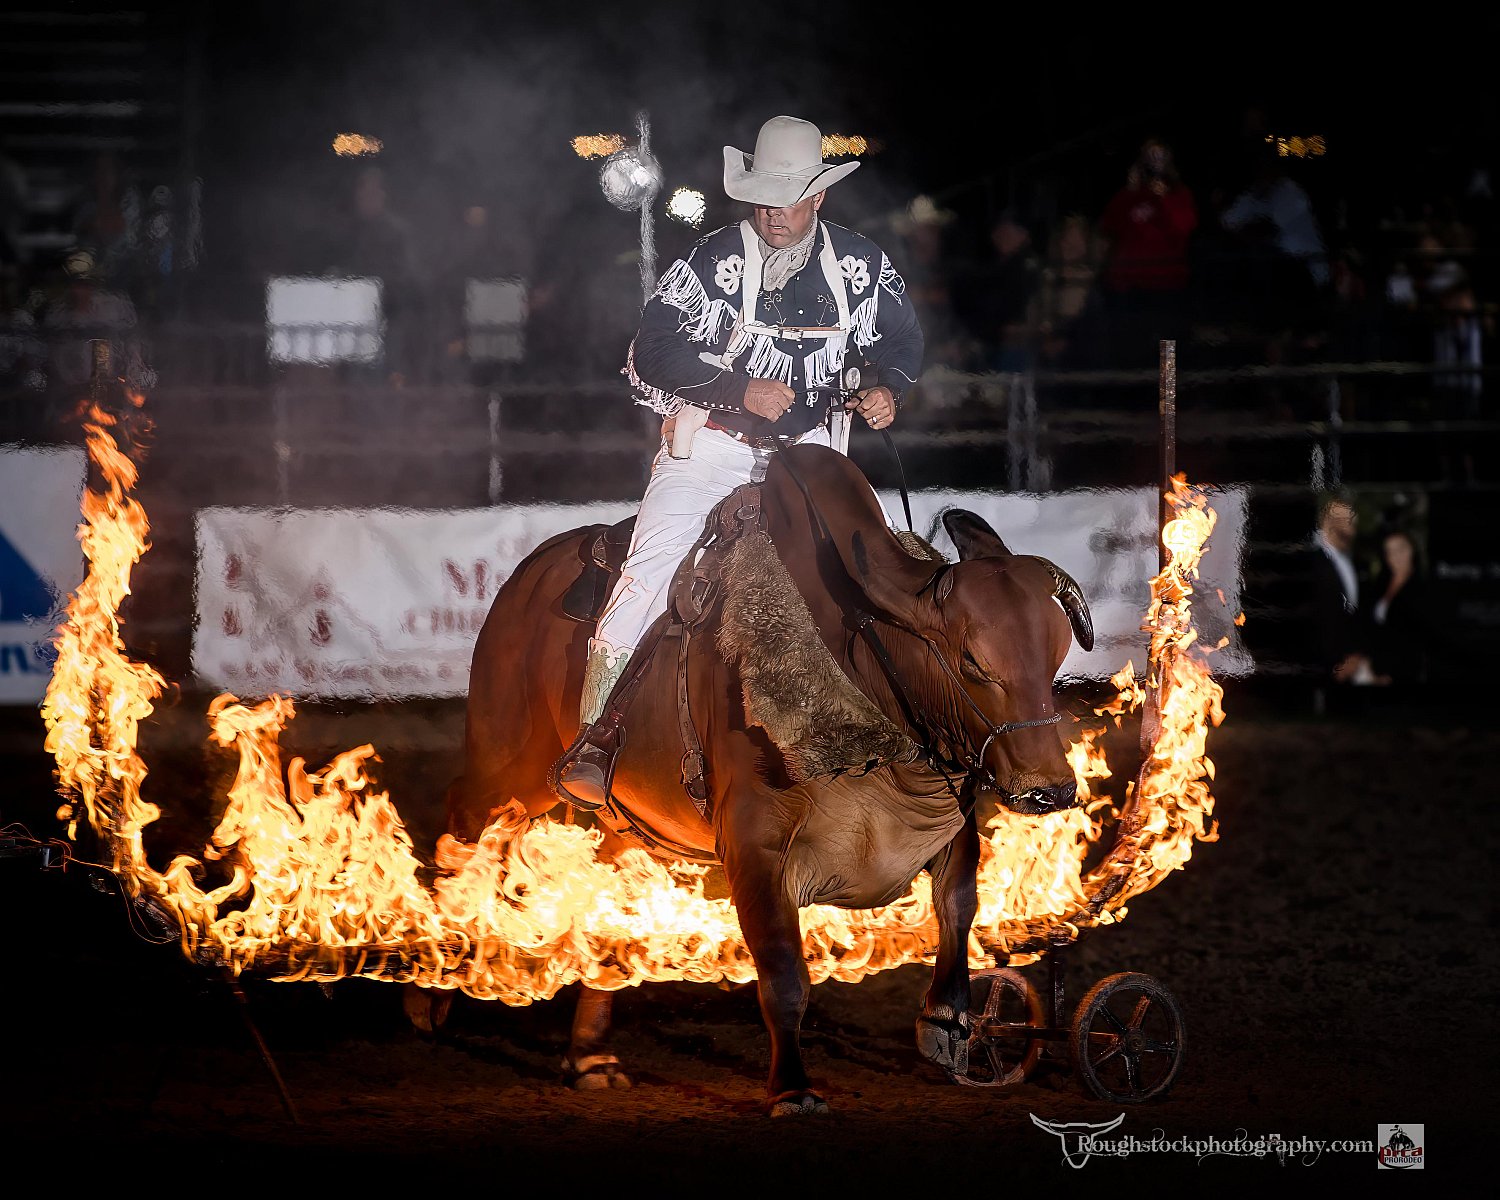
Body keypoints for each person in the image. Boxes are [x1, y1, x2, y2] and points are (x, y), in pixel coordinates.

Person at [556, 114, 923, 808]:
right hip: (714, 448)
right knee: (649, 570)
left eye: (785, 197)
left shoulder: (861, 265)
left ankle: (900, 726)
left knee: (871, 573)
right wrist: (736, 387)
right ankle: (596, 738)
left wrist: (886, 390)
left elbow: (904, 340)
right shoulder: (712, 260)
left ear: (819, 198)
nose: (770, 212)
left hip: (816, 453)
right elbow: (655, 346)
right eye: (761, 196)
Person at [1096, 138, 1198, 366]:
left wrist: (1163, 199)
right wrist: (1129, 193)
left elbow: (1183, 228)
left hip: (1167, 287)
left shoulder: (1180, 195)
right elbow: (1109, 227)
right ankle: (1129, 399)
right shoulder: (1129, 196)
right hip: (1130, 287)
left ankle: (1168, 401)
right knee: (1129, 347)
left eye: (1160, 156)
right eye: (1149, 156)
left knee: (1168, 351)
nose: (1154, 162)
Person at [1305, 494, 1371, 687]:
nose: (1353, 521)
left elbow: (1358, 613)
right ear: (1328, 520)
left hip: (1353, 656)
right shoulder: (1311, 560)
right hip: (1321, 661)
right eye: (1346, 517)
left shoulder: (1357, 561)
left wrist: (1356, 653)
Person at [1364, 527, 1428, 686]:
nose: (1396, 556)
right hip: (1375, 670)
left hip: (1403, 674)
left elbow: (1415, 639)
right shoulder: (1381, 584)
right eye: (1390, 551)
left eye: (1401, 549)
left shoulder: (1421, 587)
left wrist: (1391, 674)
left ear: (1412, 550)